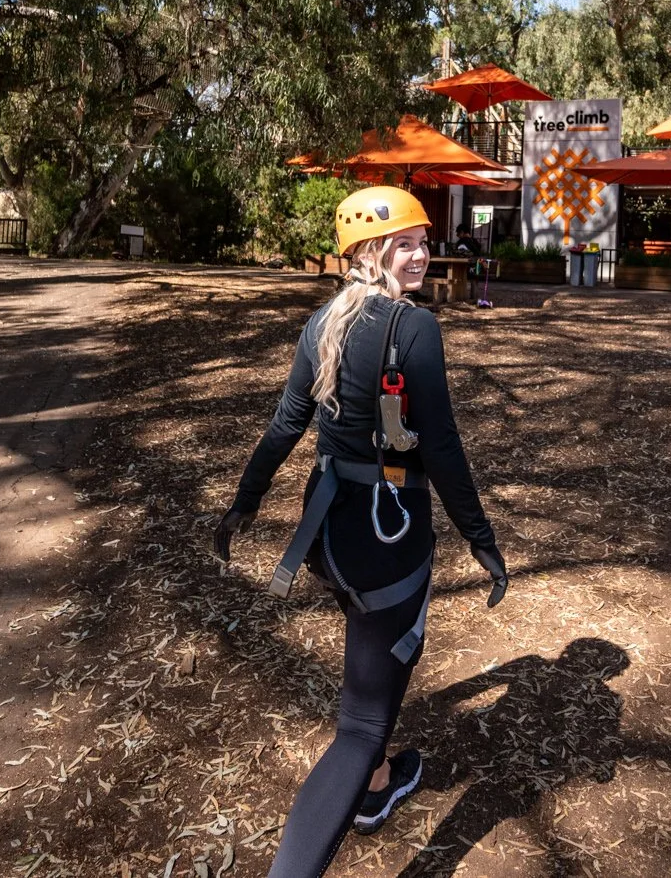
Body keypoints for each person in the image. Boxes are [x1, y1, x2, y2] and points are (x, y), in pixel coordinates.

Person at [215, 186, 508, 876]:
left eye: (423, 241)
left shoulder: (324, 321)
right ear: (369, 253)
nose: (421, 253)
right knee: (361, 726)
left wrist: (246, 502)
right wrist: (481, 537)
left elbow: (288, 423)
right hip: (386, 538)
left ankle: (377, 788)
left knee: (370, 659)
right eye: (404, 243)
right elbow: (441, 446)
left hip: (329, 536)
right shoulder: (414, 329)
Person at [454, 220, 494, 307]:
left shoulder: (462, 242)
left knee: (459, 276)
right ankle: (474, 297)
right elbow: (478, 253)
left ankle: (459, 296)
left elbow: (458, 254)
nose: (457, 235)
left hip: (464, 267)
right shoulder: (474, 241)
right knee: (474, 280)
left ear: (462, 232)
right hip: (476, 266)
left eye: (458, 233)